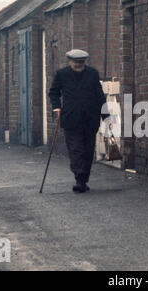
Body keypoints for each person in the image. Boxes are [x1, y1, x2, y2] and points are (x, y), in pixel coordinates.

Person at [49, 49, 110, 193]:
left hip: (90, 118)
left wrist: (105, 116)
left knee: (88, 150)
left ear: (85, 62)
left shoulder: (92, 74)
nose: (78, 64)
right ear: (69, 61)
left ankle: (83, 180)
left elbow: (99, 95)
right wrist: (57, 107)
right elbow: (54, 92)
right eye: (75, 62)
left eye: (81, 62)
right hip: (71, 118)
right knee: (76, 149)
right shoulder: (62, 74)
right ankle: (79, 178)